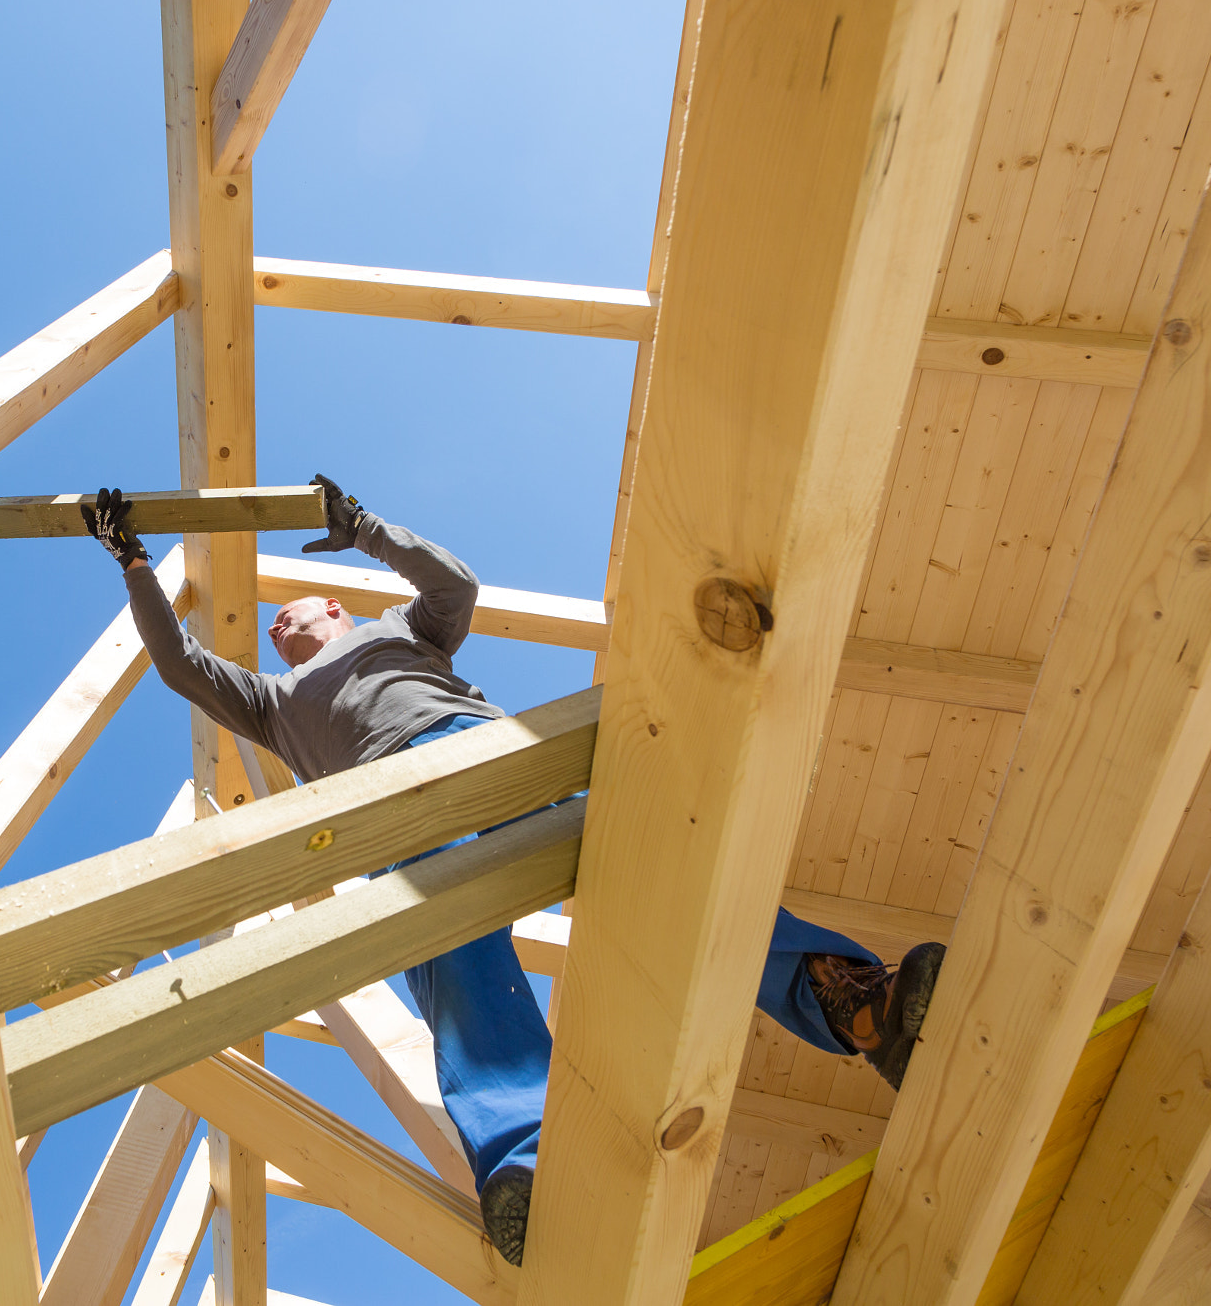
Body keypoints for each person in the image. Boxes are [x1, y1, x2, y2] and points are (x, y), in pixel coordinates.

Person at [82, 476, 946, 1266]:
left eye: (289, 615)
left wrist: (366, 528)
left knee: (676, 876)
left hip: (491, 754)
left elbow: (455, 585)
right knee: (459, 973)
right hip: (397, 810)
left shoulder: (399, 632)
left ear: (336, 609)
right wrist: (133, 564)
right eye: (272, 628)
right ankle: (530, 1170)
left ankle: (855, 1005)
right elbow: (180, 664)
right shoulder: (273, 704)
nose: (275, 626)